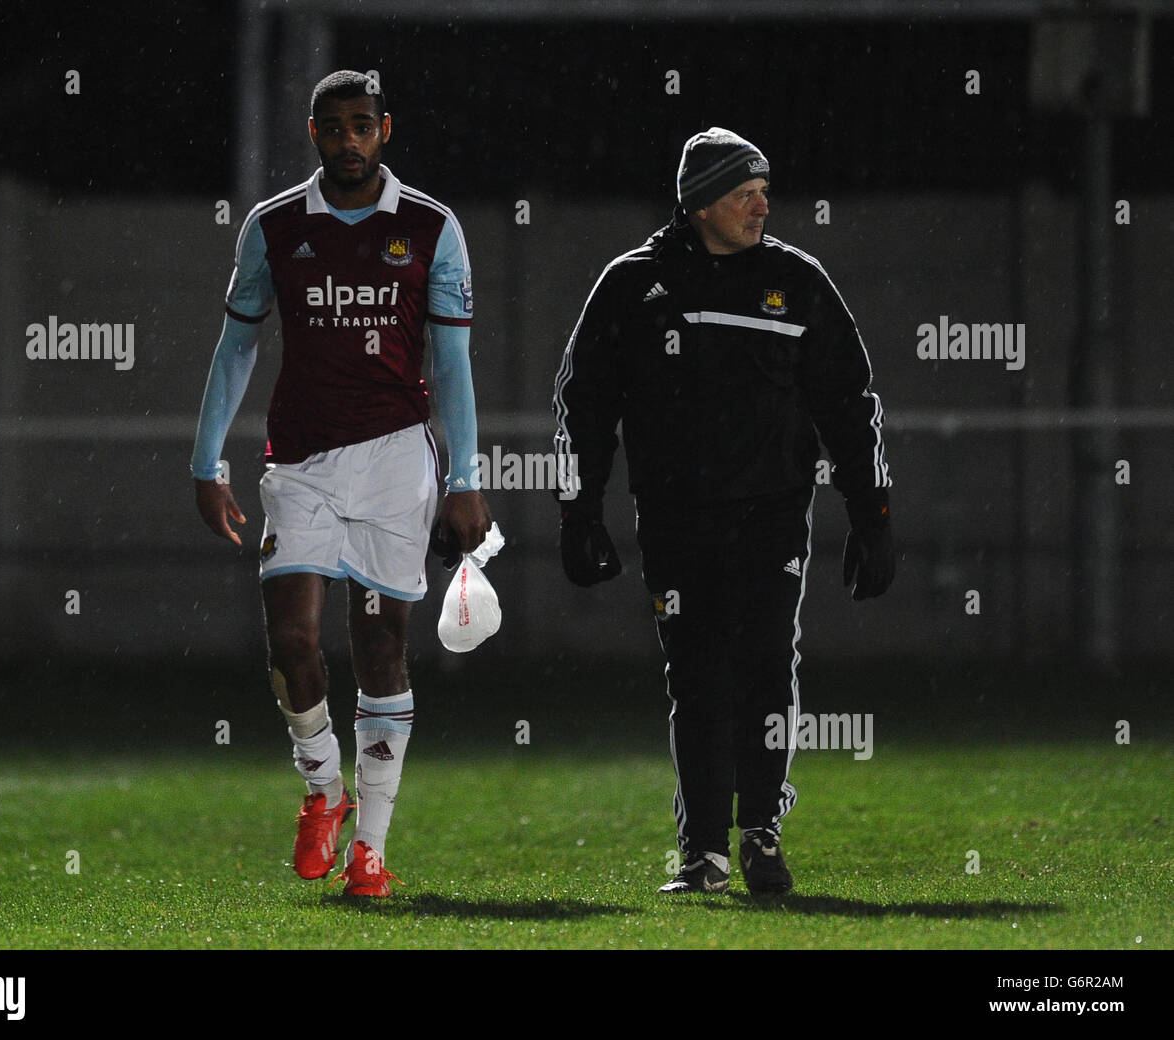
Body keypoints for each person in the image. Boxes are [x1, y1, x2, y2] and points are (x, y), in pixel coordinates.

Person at [552, 128, 893, 897]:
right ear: (701, 201)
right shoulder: (632, 284)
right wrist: (579, 511)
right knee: (698, 676)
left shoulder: (797, 281)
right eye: (745, 192)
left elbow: (848, 403)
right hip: (674, 519)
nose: (762, 205)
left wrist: (871, 512)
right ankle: (702, 851)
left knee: (767, 665)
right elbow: (585, 405)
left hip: (773, 517)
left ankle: (762, 833)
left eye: (764, 190)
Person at [192, 70, 490, 897]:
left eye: (363, 126)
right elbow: (237, 347)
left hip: (398, 460)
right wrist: (206, 461)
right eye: (334, 128)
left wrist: (465, 476)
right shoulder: (275, 225)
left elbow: (453, 362)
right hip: (299, 464)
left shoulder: (431, 227)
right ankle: (323, 789)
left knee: (382, 648)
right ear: (313, 133)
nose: (349, 141)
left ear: (385, 129)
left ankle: (372, 849)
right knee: (290, 642)